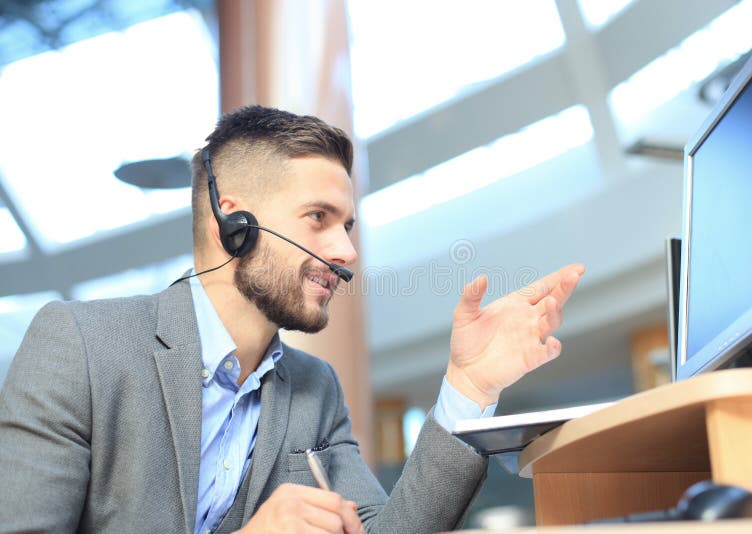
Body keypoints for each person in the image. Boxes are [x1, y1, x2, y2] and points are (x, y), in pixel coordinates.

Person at [0, 106, 584, 534]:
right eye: (318, 217)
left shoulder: (314, 391)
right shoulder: (78, 346)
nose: (346, 251)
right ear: (235, 222)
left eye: (348, 226)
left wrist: (469, 385)